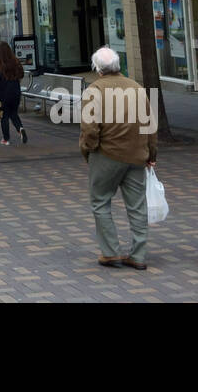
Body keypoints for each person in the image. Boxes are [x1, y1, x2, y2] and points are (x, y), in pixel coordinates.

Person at [79, 46, 157, 270]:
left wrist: (88, 150)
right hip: (136, 155)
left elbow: (90, 129)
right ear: (118, 65)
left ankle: (111, 252)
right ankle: (138, 254)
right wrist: (151, 154)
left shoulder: (94, 90)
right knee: (137, 206)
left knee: (100, 202)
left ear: (97, 68)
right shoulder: (137, 88)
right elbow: (150, 126)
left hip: (106, 154)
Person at [0, 41, 26, 145]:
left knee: (4, 116)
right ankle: (20, 128)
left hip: (3, 92)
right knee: (13, 113)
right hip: (15, 91)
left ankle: (6, 139)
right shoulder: (15, 61)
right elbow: (21, 75)